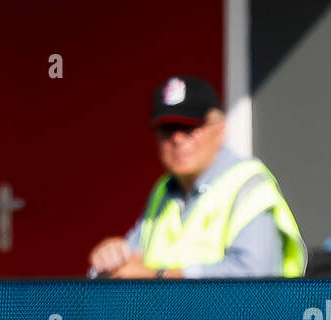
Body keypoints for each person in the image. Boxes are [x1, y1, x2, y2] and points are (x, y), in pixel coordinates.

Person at [89, 76, 306, 279]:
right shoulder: (164, 190)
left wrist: (160, 275)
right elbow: (131, 265)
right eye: (168, 129)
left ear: (219, 129)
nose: (177, 139)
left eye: (190, 127)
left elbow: (254, 275)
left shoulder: (248, 185)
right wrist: (111, 256)